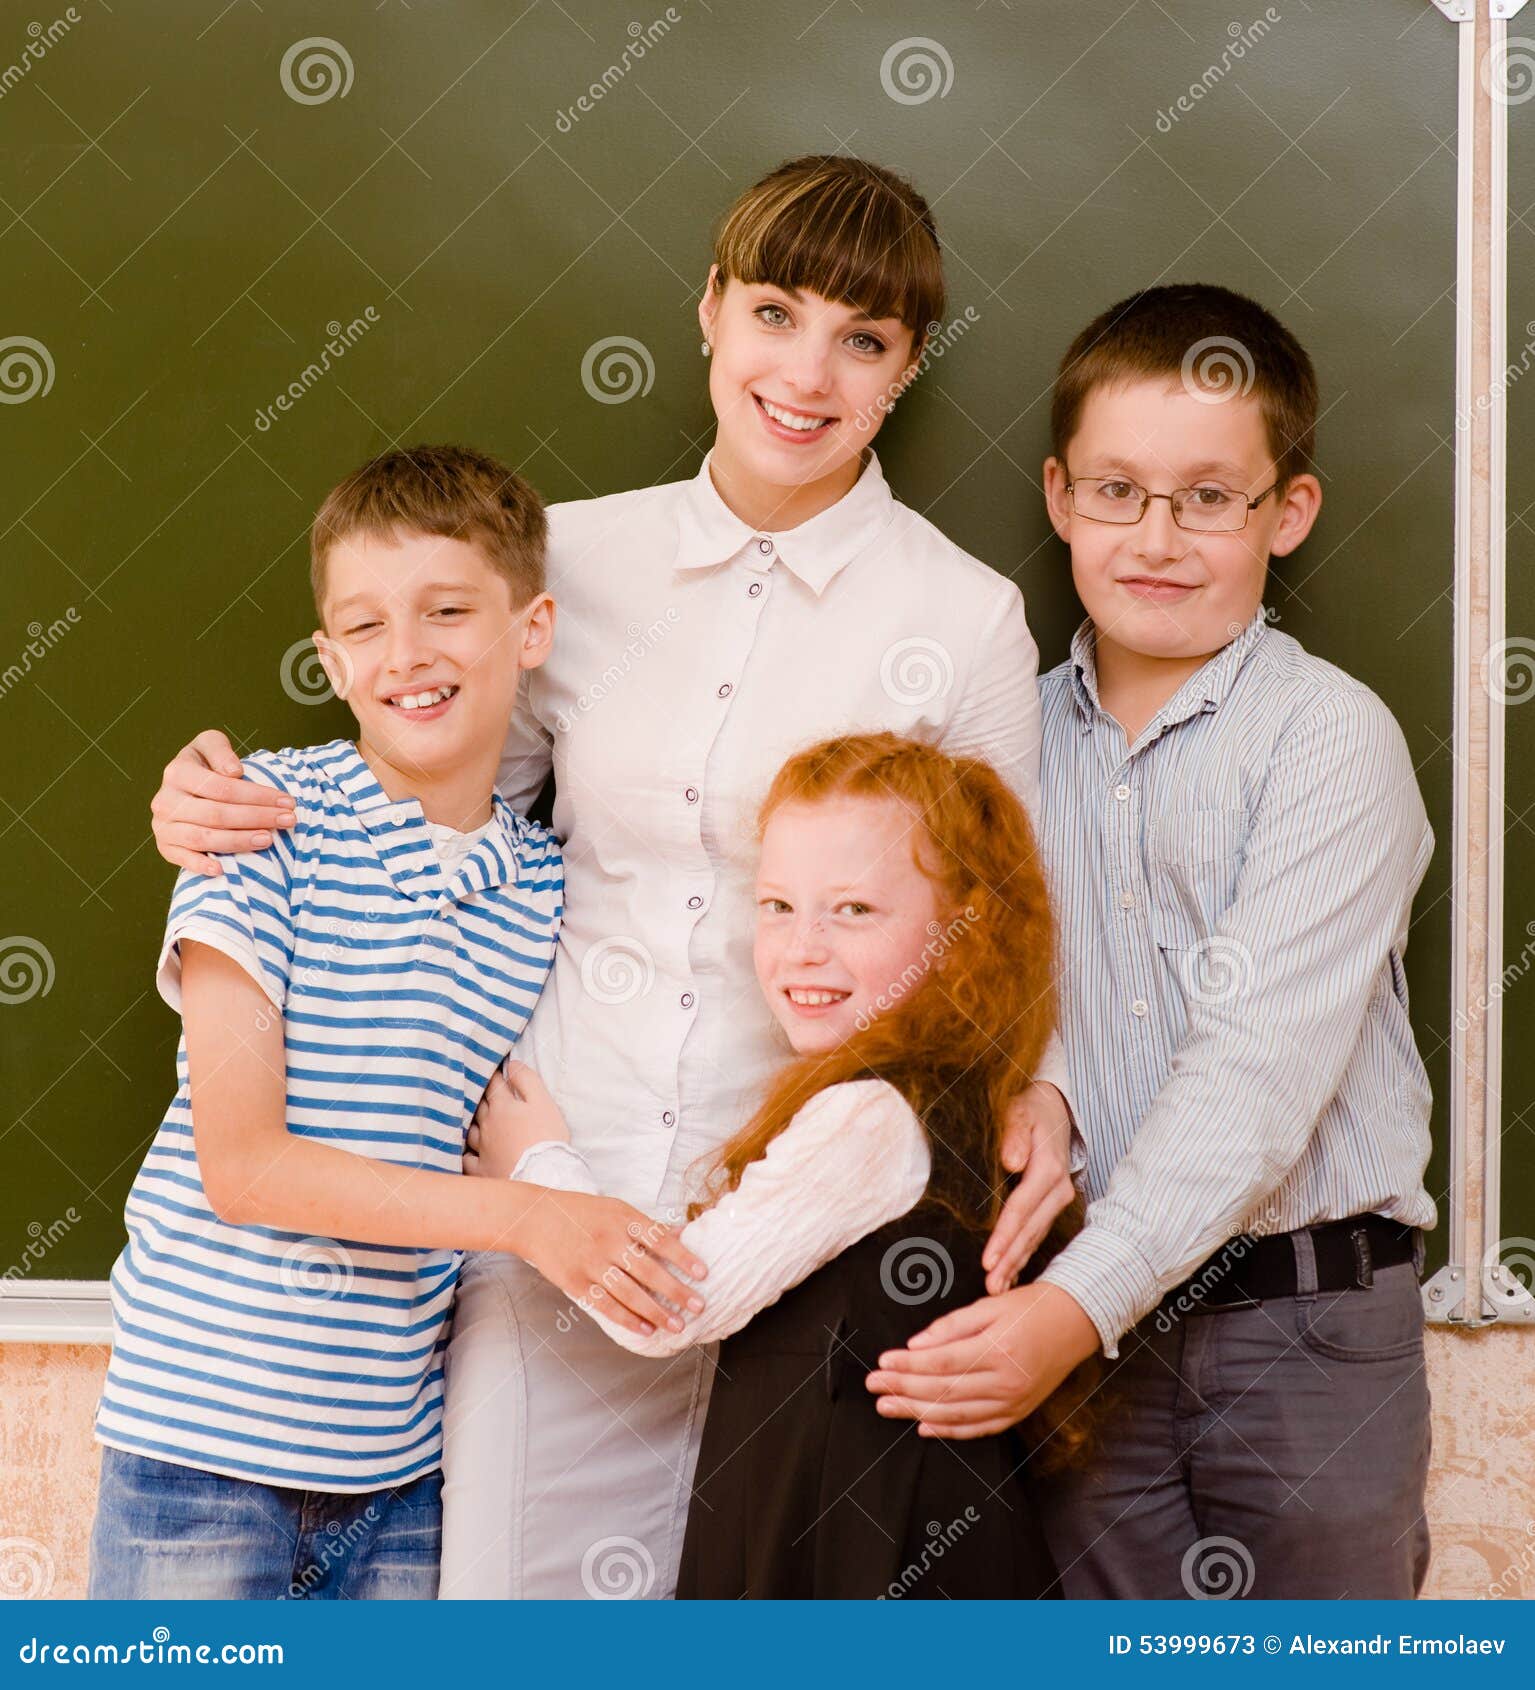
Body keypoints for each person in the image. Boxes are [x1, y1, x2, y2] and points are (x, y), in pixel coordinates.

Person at [143, 155, 1082, 1598]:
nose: (808, 373)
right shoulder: (563, 563)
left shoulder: (957, 615)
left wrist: (1048, 1085)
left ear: (904, 369)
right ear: (709, 311)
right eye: (773, 312)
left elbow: (1001, 914)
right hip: (542, 1206)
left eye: (865, 340)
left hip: (795, 1243)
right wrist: (225, 794)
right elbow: (433, 801)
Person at [870, 284, 1437, 1601]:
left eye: (1208, 497)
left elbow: (1253, 1073)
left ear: (1283, 512)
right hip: (1089, 1336)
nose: (1156, 537)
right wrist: (1049, 1074)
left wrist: (1069, 1313)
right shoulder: (1004, 742)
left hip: (1299, 1330)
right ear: (1060, 497)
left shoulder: (1324, 740)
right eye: (1117, 491)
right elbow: (989, 970)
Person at [89, 445, 701, 1600]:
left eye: (447, 610)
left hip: (402, 1472)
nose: (405, 654)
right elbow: (244, 1166)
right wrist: (534, 1217)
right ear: (327, 657)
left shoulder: (543, 889)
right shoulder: (258, 826)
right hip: (199, 1455)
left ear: (531, 629)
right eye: (362, 626)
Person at [465, 732, 1080, 1599]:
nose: (801, 948)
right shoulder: (954, 1096)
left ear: (965, 935)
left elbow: (675, 1304)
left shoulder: (868, 1116)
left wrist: (539, 1168)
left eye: (854, 911)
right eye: (777, 906)